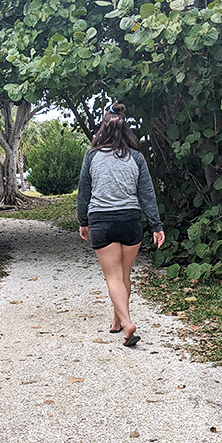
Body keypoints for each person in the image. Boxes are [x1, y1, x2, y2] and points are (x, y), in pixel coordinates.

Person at [77, 103, 165, 347]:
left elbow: (84, 191)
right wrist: (156, 225)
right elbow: (147, 193)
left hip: (101, 221)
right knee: (124, 275)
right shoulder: (136, 158)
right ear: (126, 131)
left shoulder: (92, 156)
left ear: (103, 130)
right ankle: (116, 322)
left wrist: (83, 221)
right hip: (130, 221)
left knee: (113, 277)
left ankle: (127, 324)